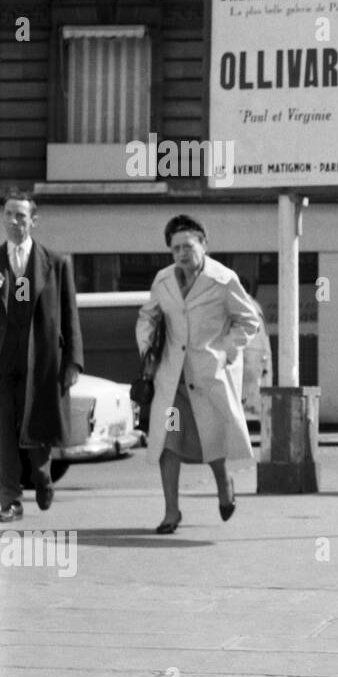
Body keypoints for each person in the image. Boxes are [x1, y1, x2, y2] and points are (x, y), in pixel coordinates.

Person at [137, 215, 261, 533]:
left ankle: (224, 485)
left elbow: (249, 321)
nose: (182, 253)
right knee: (168, 442)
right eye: (175, 248)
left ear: (203, 244)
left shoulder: (223, 279)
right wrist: (146, 344)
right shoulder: (163, 279)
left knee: (211, 440)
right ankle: (171, 512)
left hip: (207, 376)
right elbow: (148, 315)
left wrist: (227, 351)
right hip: (173, 380)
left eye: (188, 246)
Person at [0, 192, 82, 520]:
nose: (13, 221)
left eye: (20, 216)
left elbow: (70, 313)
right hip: (3, 361)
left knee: (37, 427)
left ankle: (43, 476)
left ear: (33, 220)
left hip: (41, 360)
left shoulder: (57, 263)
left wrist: (73, 361)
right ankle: (9, 498)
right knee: (3, 431)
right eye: (8, 214)